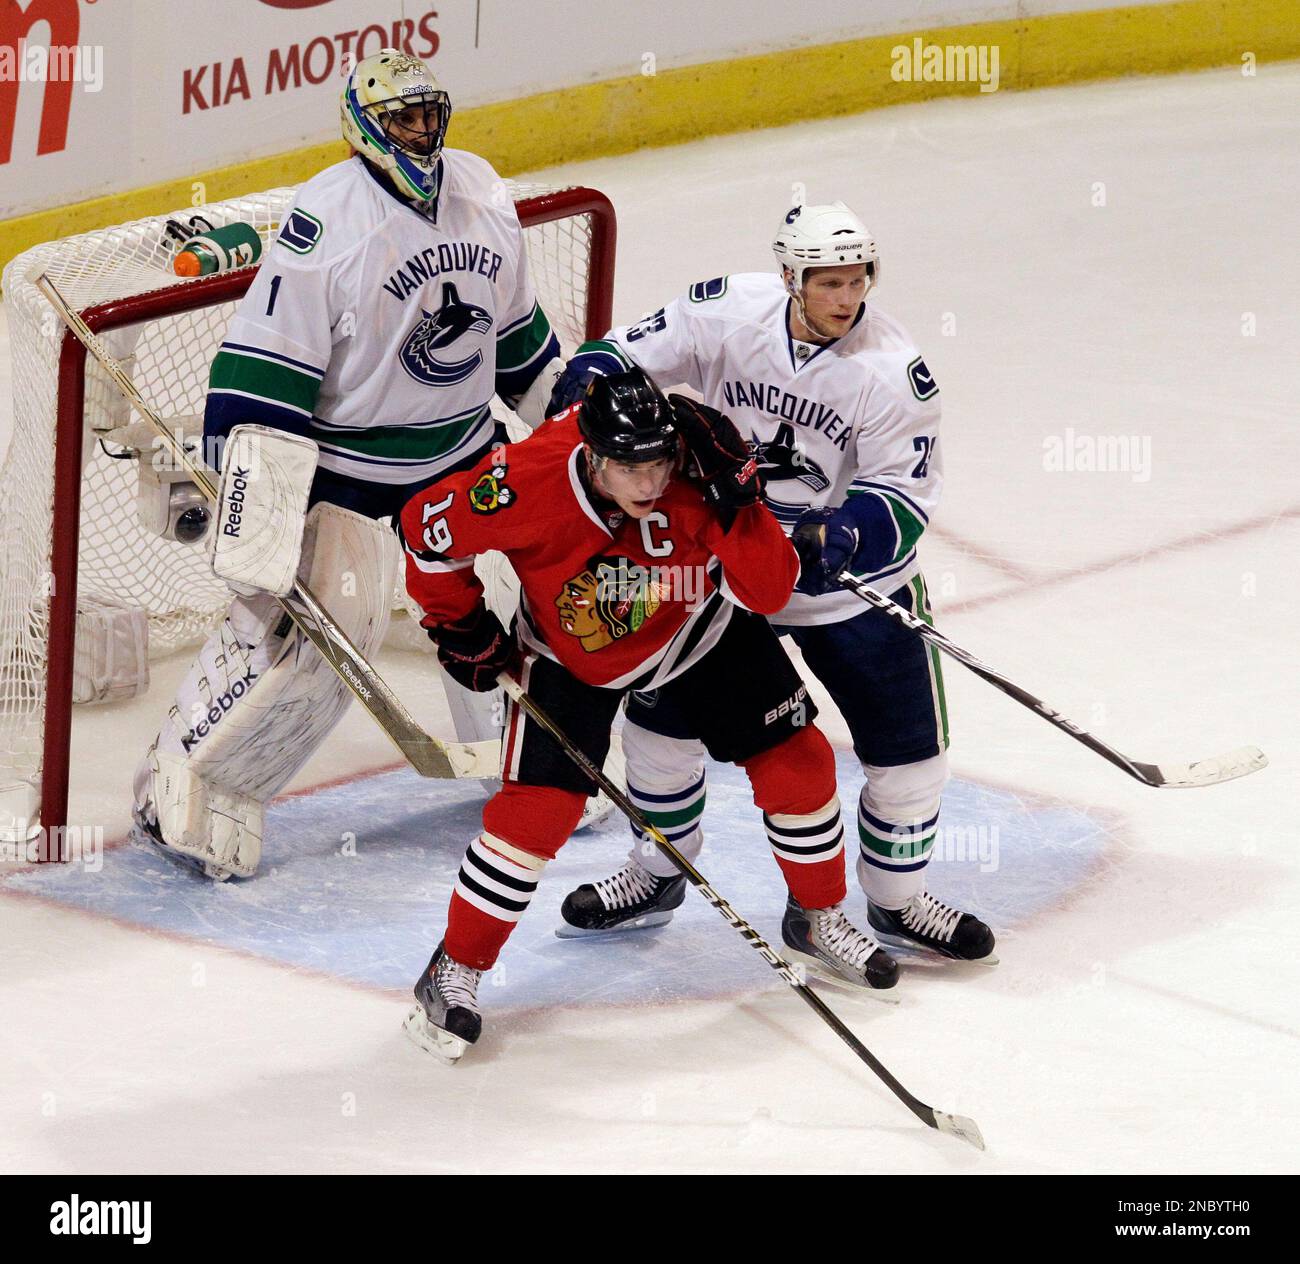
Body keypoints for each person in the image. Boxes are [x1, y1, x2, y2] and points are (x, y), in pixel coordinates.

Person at [131, 50, 568, 880]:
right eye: (403, 118)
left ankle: (525, 768)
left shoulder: (483, 193)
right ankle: (181, 784)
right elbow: (262, 369)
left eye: (428, 114)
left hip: (465, 456)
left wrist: (584, 429)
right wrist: (256, 508)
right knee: (314, 640)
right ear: (366, 126)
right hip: (350, 474)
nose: (421, 131)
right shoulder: (325, 222)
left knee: (520, 604)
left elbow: (512, 339)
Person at [399, 369, 898, 1063]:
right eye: (630, 467)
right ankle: (454, 970)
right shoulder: (523, 480)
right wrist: (459, 624)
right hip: (572, 657)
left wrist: (738, 504)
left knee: (800, 766)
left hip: (700, 627)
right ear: (591, 452)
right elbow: (424, 530)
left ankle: (816, 919)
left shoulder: (701, 475)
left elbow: (770, 588)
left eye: (658, 463)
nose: (649, 483)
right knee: (535, 815)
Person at [549, 201, 995, 964]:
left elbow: (908, 489)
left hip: (844, 584)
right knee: (658, 732)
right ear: (791, 278)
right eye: (828, 281)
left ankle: (894, 901)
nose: (847, 296)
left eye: (859, 278)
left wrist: (856, 527)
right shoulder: (728, 310)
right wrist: (592, 374)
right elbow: (624, 355)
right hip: (725, 566)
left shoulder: (895, 371)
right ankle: (658, 870)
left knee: (910, 756)